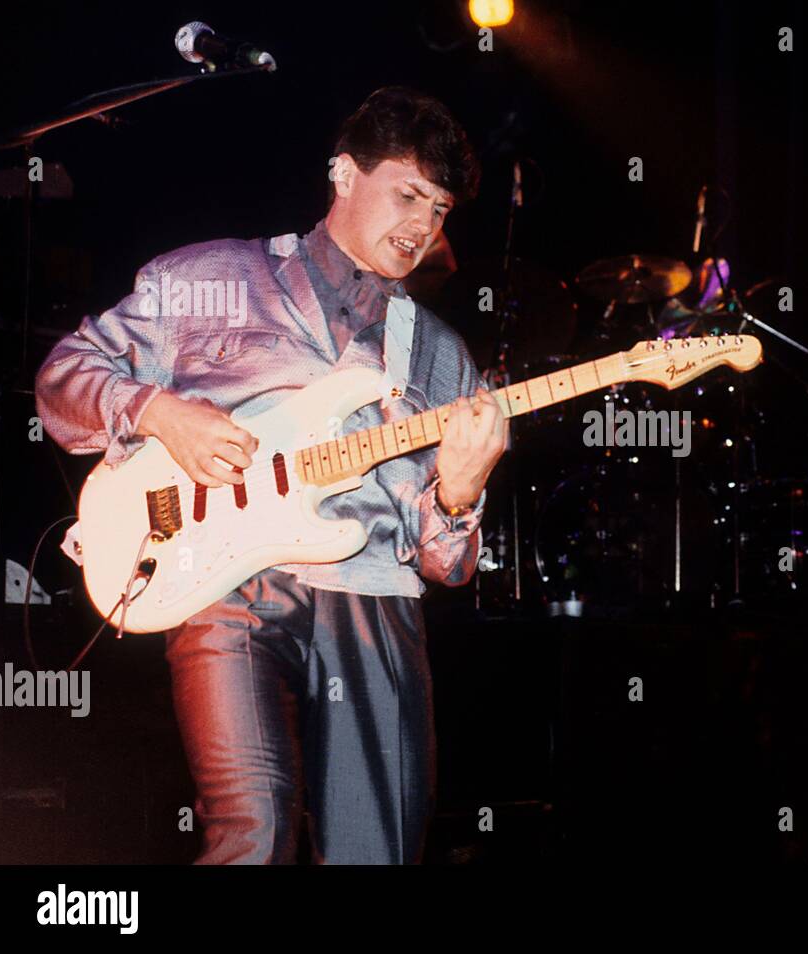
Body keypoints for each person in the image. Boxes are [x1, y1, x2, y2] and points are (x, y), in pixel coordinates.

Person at [34, 87, 507, 864]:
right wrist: (158, 412)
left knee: (376, 848)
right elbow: (62, 379)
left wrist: (458, 495)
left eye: (442, 208)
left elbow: (446, 563)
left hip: (374, 602)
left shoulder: (442, 353)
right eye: (410, 194)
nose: (424, 225)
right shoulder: (211, 278)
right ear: (344, 174)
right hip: (225, 588)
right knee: (251, 831)